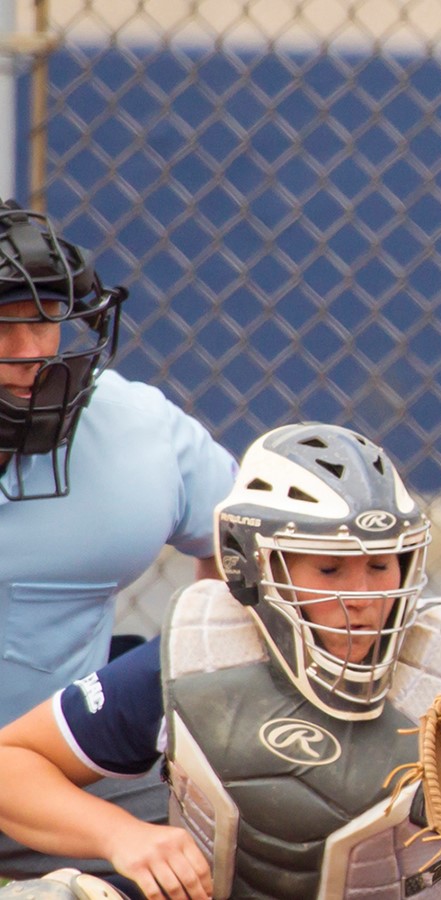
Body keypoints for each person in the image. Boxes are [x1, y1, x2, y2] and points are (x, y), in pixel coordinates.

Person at [0, 422, 441, 899]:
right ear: (256, 564)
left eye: (381, 565)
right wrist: (121, 837)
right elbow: (12, 764)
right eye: (330, 571)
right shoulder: (198, 658)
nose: (363, 596)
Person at [0, 200, 238, 879]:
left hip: (54, 777)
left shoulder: (133, 431)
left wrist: (211, 678)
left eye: (45, 319)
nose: (30, 353)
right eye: (4, 323)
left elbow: (247, 541)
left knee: (270, 838)